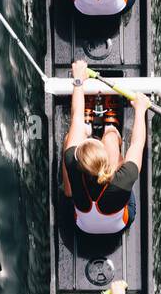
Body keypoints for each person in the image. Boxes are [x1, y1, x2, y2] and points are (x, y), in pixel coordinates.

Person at [62, 61, 148, 235]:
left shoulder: (71, 159)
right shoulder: (124, 177)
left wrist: (78, 81)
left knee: (69, 138)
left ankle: (88, 126)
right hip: (119, 222)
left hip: (82, 224)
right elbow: (137, 144)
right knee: (110, 139)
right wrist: (140, 109)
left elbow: (75, 117)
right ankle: (110, 126)